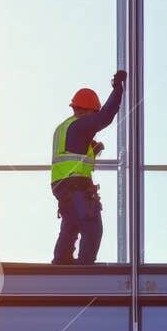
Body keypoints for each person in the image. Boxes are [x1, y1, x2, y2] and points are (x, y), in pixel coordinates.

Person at [51, 70, 126, 264]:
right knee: (92, 225)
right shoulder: (80, 124)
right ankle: (85, 266)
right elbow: (105, 117)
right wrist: (118, 88)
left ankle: (61, 261)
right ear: (88, 110)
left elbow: (72, 151)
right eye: (93, 113)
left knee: (71, 224)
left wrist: (92, 148)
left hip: (62, 185)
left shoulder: (65, 127)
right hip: (75, 185)